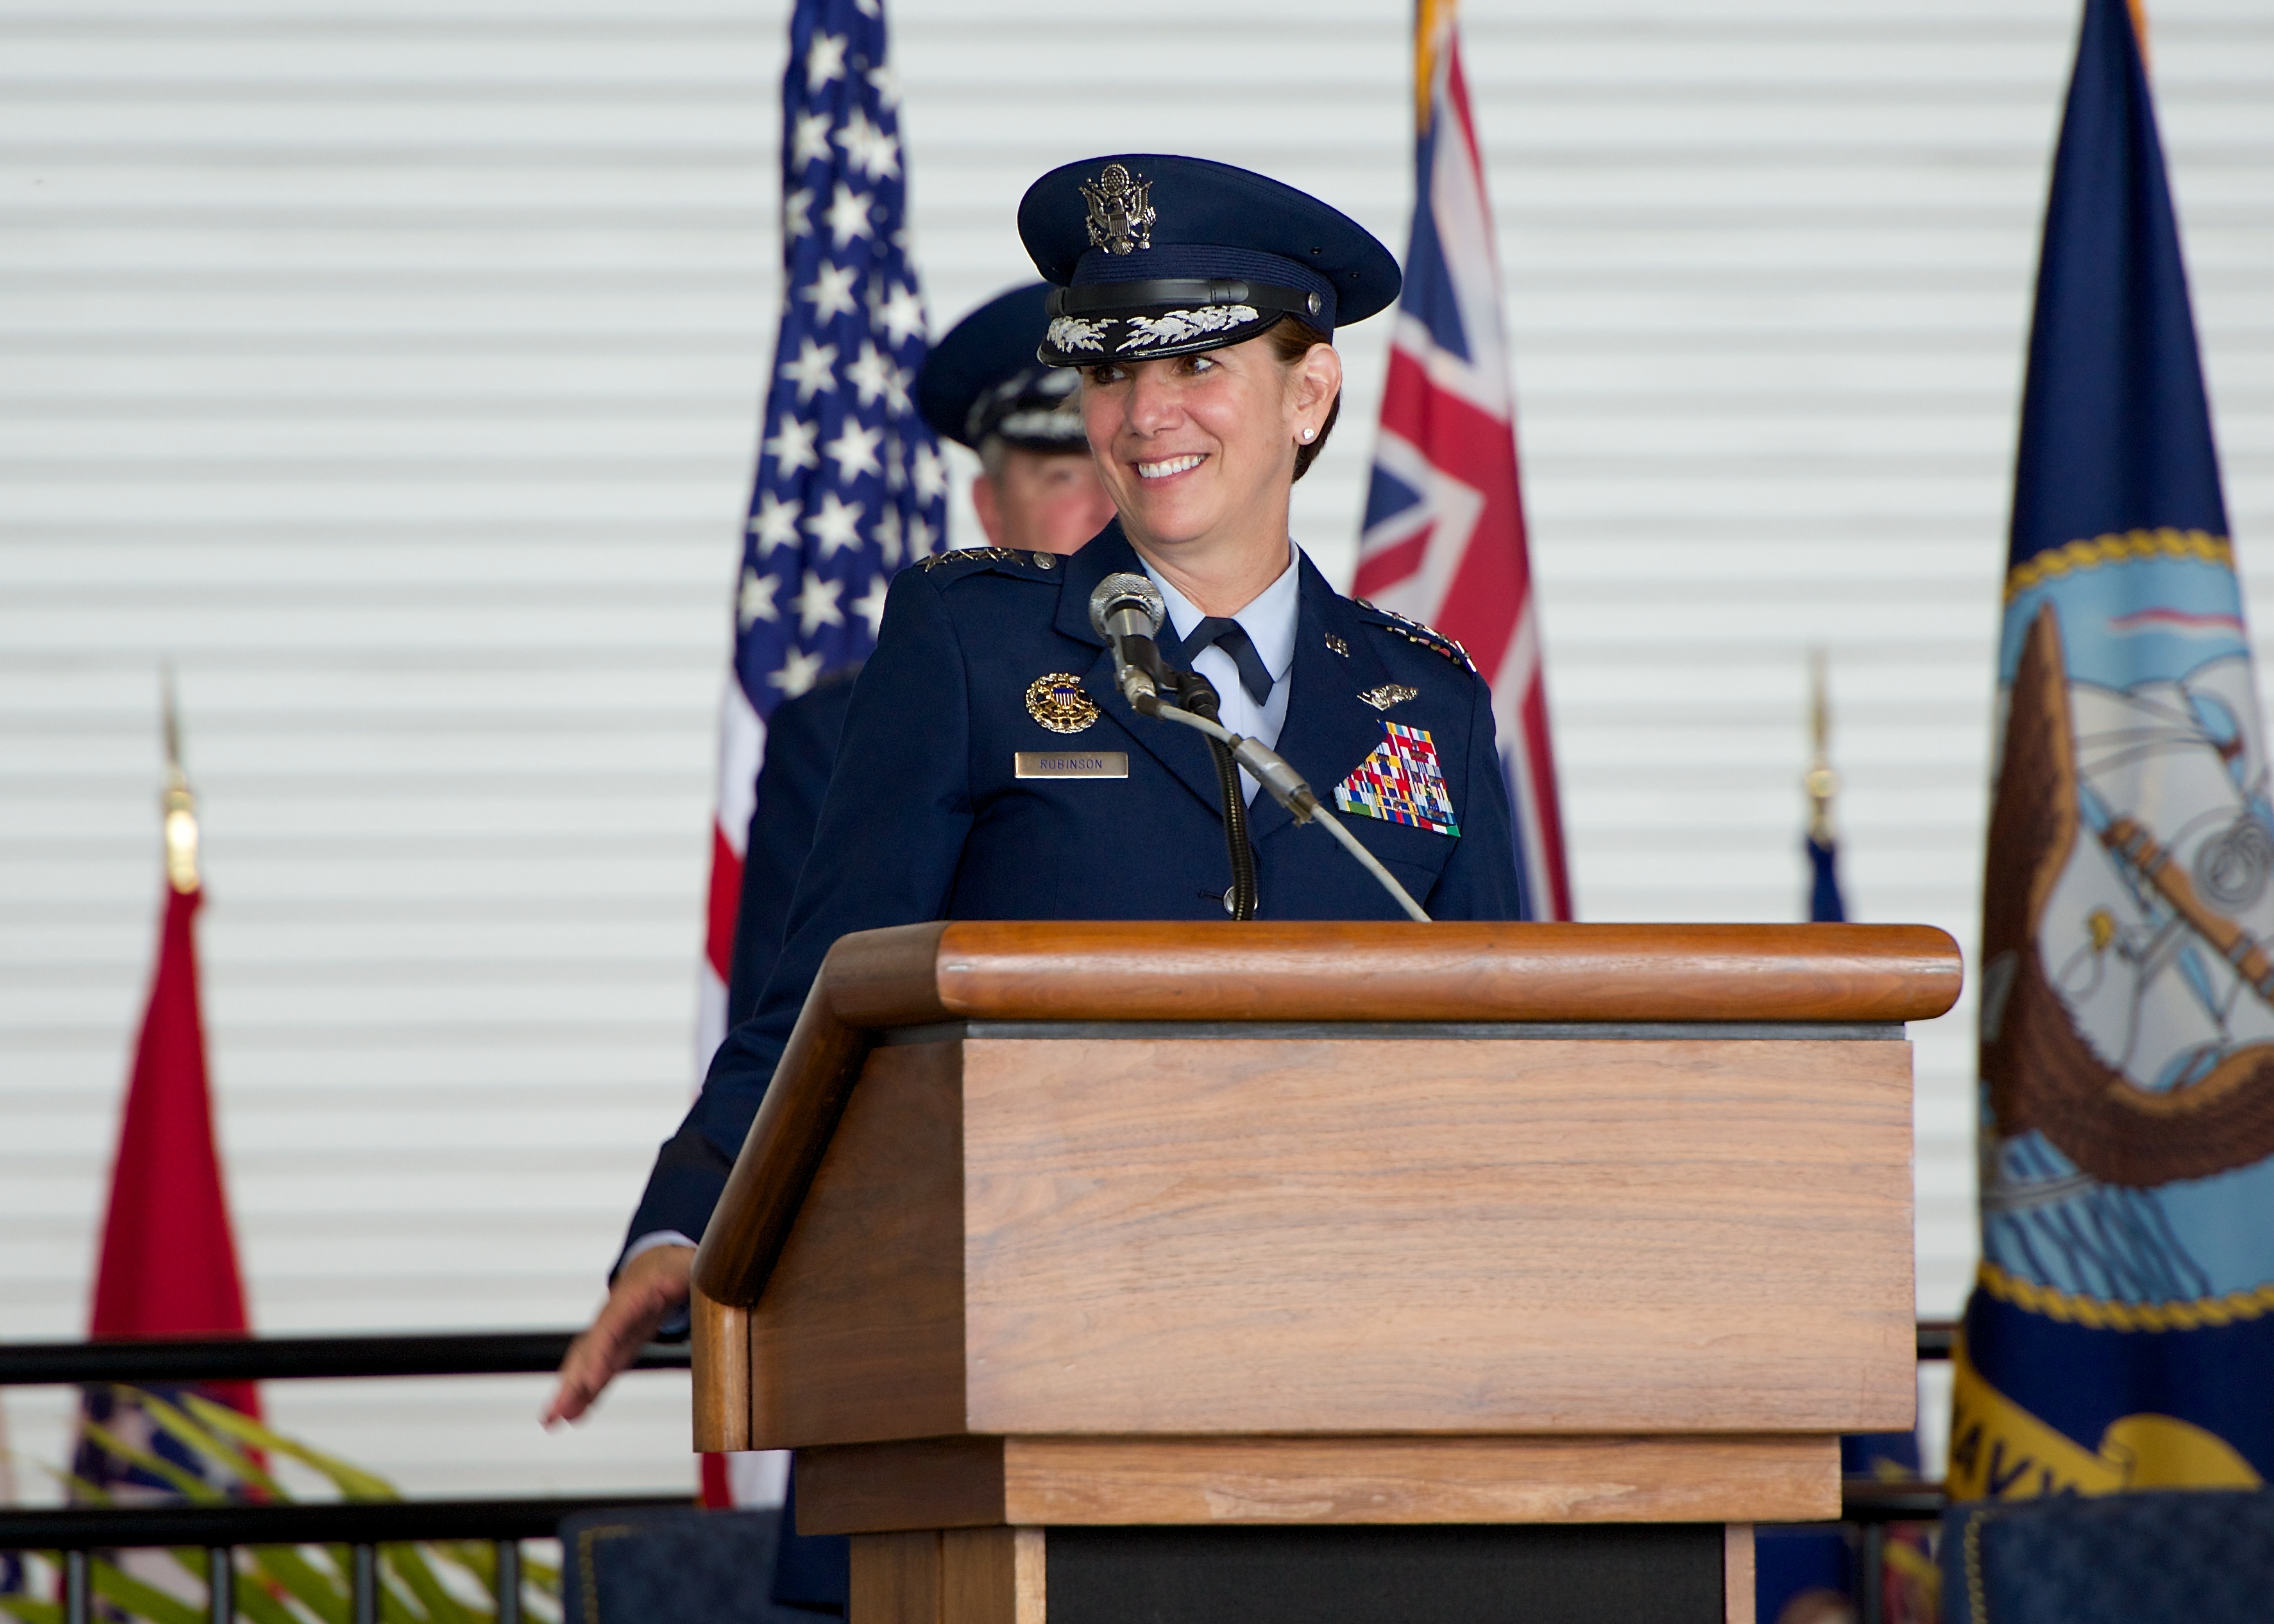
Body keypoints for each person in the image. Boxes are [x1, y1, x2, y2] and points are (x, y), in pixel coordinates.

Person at [549, 156, 1522, 1594]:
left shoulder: (1418, 699)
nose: (1145, 416)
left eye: (1196, 361)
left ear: (1307, 393)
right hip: (1006, 1407)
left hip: (1327, 1433)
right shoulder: (969, 645)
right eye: (1112, 373)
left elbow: (1503, 1061)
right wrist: (687, 1223)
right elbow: (819, 1003)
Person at [724, 283, 1116, 1033]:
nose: (1103, 507)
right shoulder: (842, 731)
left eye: (1119, 469)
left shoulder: (1238, 690)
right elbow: (796, 1026)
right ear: (991, 507)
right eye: (1065, 474)